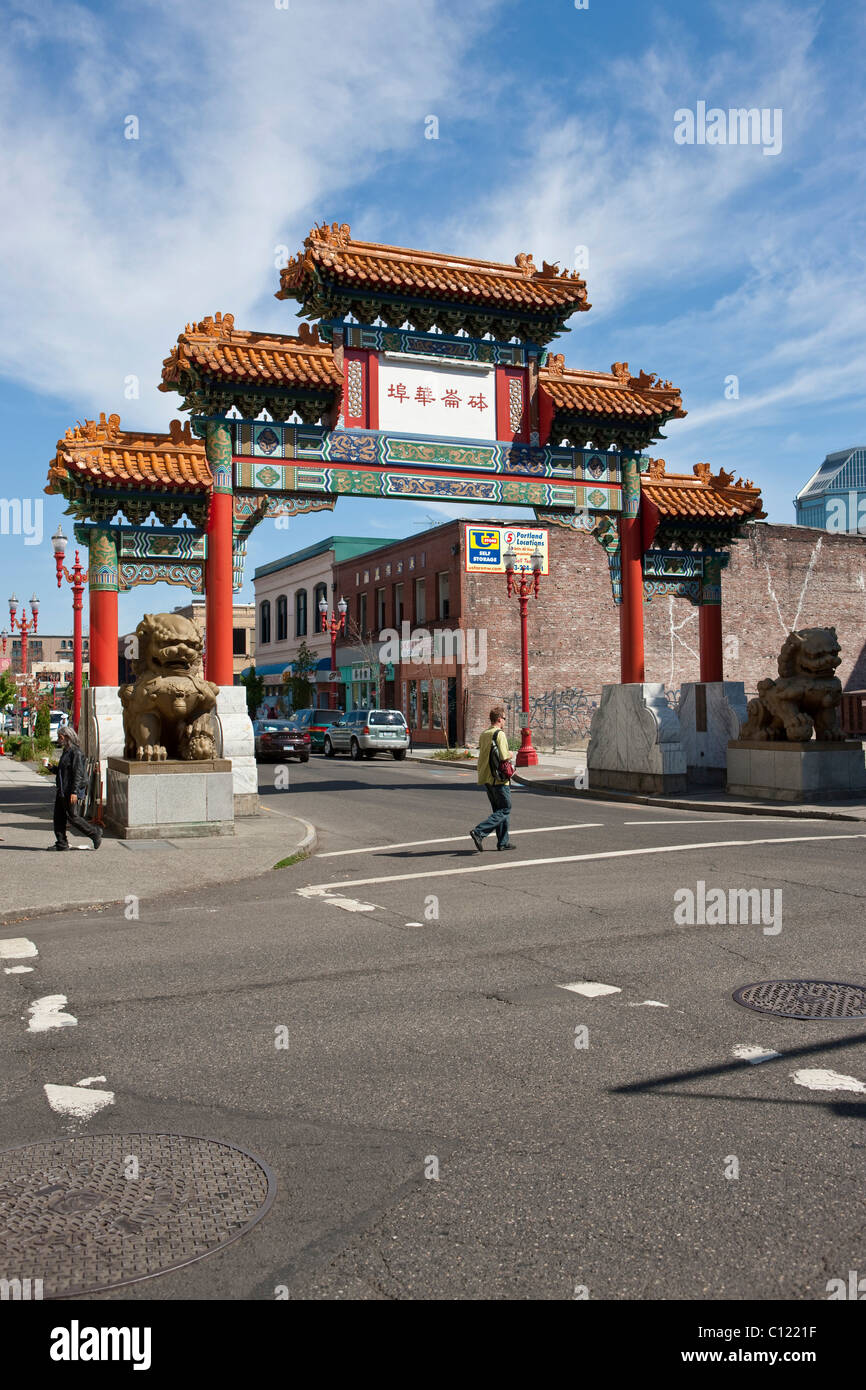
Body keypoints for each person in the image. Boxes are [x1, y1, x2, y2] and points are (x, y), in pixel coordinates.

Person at [470, 705, 515, 852]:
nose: (504, 721)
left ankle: (503, 842)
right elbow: (503, 756)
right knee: (505, 809)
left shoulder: (484, 734)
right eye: (504, 718)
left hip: (487, 777)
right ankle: (479, 832)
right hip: (499, 779)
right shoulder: (499, 734)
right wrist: (511, 754)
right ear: (499, 719)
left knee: (499, 811)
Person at [52, 726, 102, 851]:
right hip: (62, 790)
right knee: (59, 817)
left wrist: (74, 792)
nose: (58, 740)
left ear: (67, 737)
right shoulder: (66, 751)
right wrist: (52, 768)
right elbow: (63, 771)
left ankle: (95, 833)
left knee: (72, 817)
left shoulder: (76, 752)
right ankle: (61, 843)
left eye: (60, 737)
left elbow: (78, 774)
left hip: (69, 790)